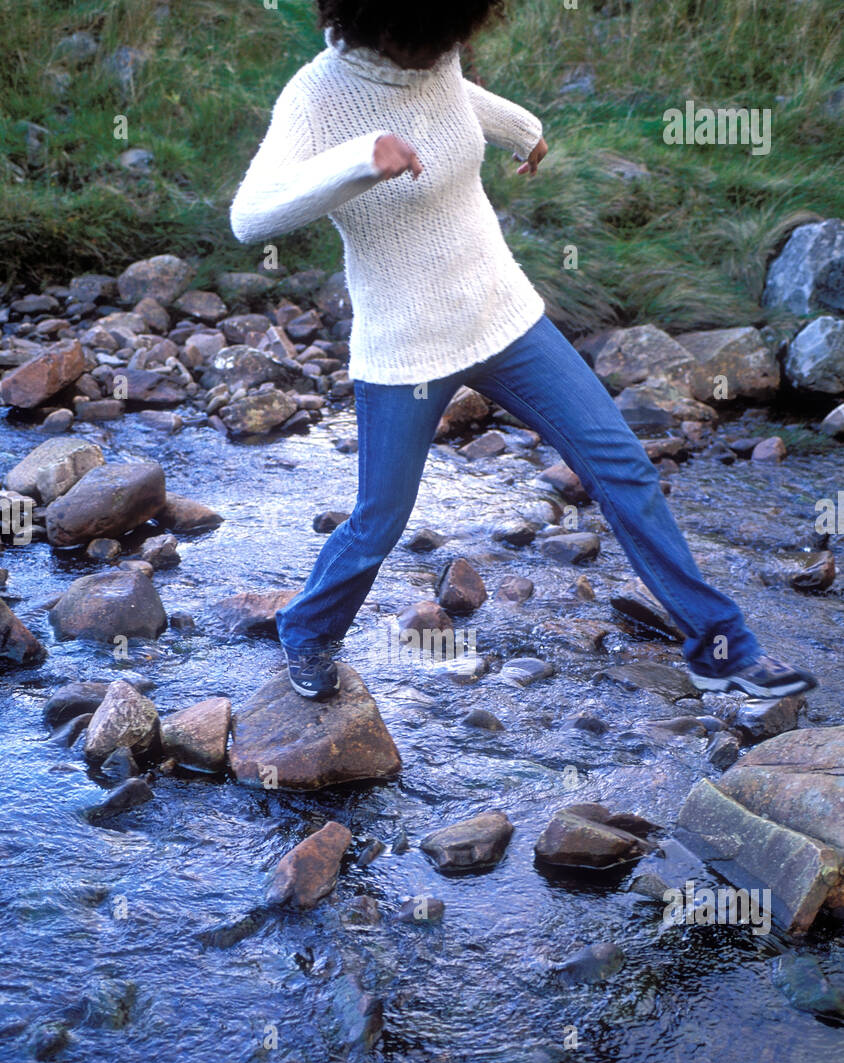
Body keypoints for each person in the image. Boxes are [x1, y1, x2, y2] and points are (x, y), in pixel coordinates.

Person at [229, 0, 817, 703]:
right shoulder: (316, 95)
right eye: (421, 47)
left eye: (447, 42)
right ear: (374, 22)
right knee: (379, 521)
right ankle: (308, 627)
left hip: (503, 317)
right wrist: (359, 160)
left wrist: (521, 131)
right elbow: (250, 213)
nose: (435, 58)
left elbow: (453, 96)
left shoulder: (433, 50)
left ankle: (720, 649)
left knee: (623, 467)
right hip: (407, 350)